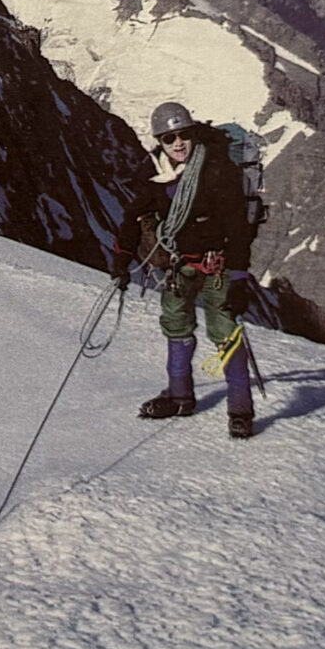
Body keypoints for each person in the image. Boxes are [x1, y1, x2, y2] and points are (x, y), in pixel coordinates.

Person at [124, 101, 260, 438]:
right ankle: (180, 396)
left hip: (219, 266)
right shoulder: (154, 175)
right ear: (159, 141)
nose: (179, 143)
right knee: (175, 324)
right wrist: (120, 259)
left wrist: (240, 279)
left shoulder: (218, 169)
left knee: (225, 330)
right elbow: (133, 215)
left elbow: (238, 229)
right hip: (178, 265)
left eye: (184, 134)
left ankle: (241, 409)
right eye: (169, 138)